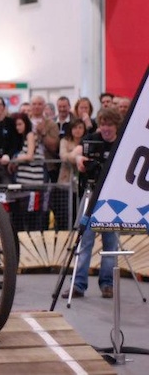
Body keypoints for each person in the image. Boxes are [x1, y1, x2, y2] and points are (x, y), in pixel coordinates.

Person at [63, 108, 122, 299]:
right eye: (103, 124)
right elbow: (72, 153)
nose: (105, 128)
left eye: (109, 125)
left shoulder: (122, 142)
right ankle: (78, 284)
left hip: (112, 199)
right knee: (84, 240)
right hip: (91, 194)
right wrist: (79, 158)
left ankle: (107, 284)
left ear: (116, 126)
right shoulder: (92, 139)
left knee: (110, 243)